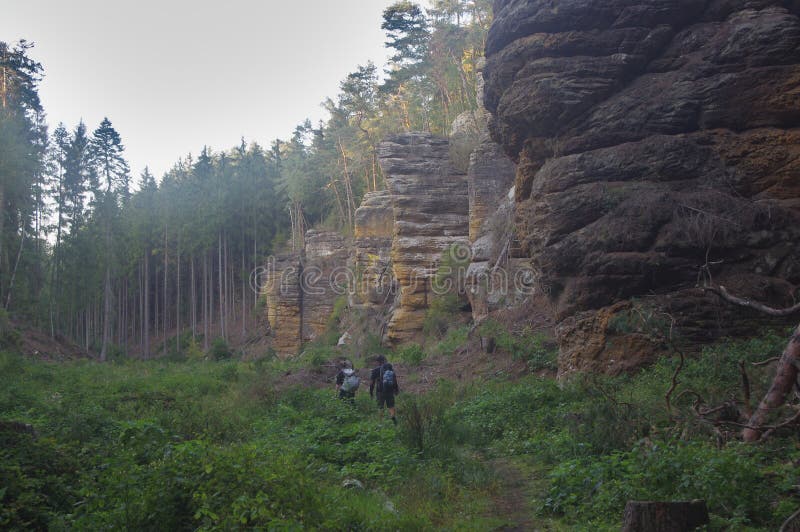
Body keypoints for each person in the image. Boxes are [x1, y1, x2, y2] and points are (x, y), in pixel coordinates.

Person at [373, 358, 399, 425]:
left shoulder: (376, 370)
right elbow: (395, 382)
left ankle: (380, 423)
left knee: (380, 407)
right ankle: (393, 417)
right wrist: (396, 390)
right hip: (390, 391)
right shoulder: (391, 370)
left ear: (378, 362)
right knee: (391, 406)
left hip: (380, 391)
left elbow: (372, 382)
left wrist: (371, 392)